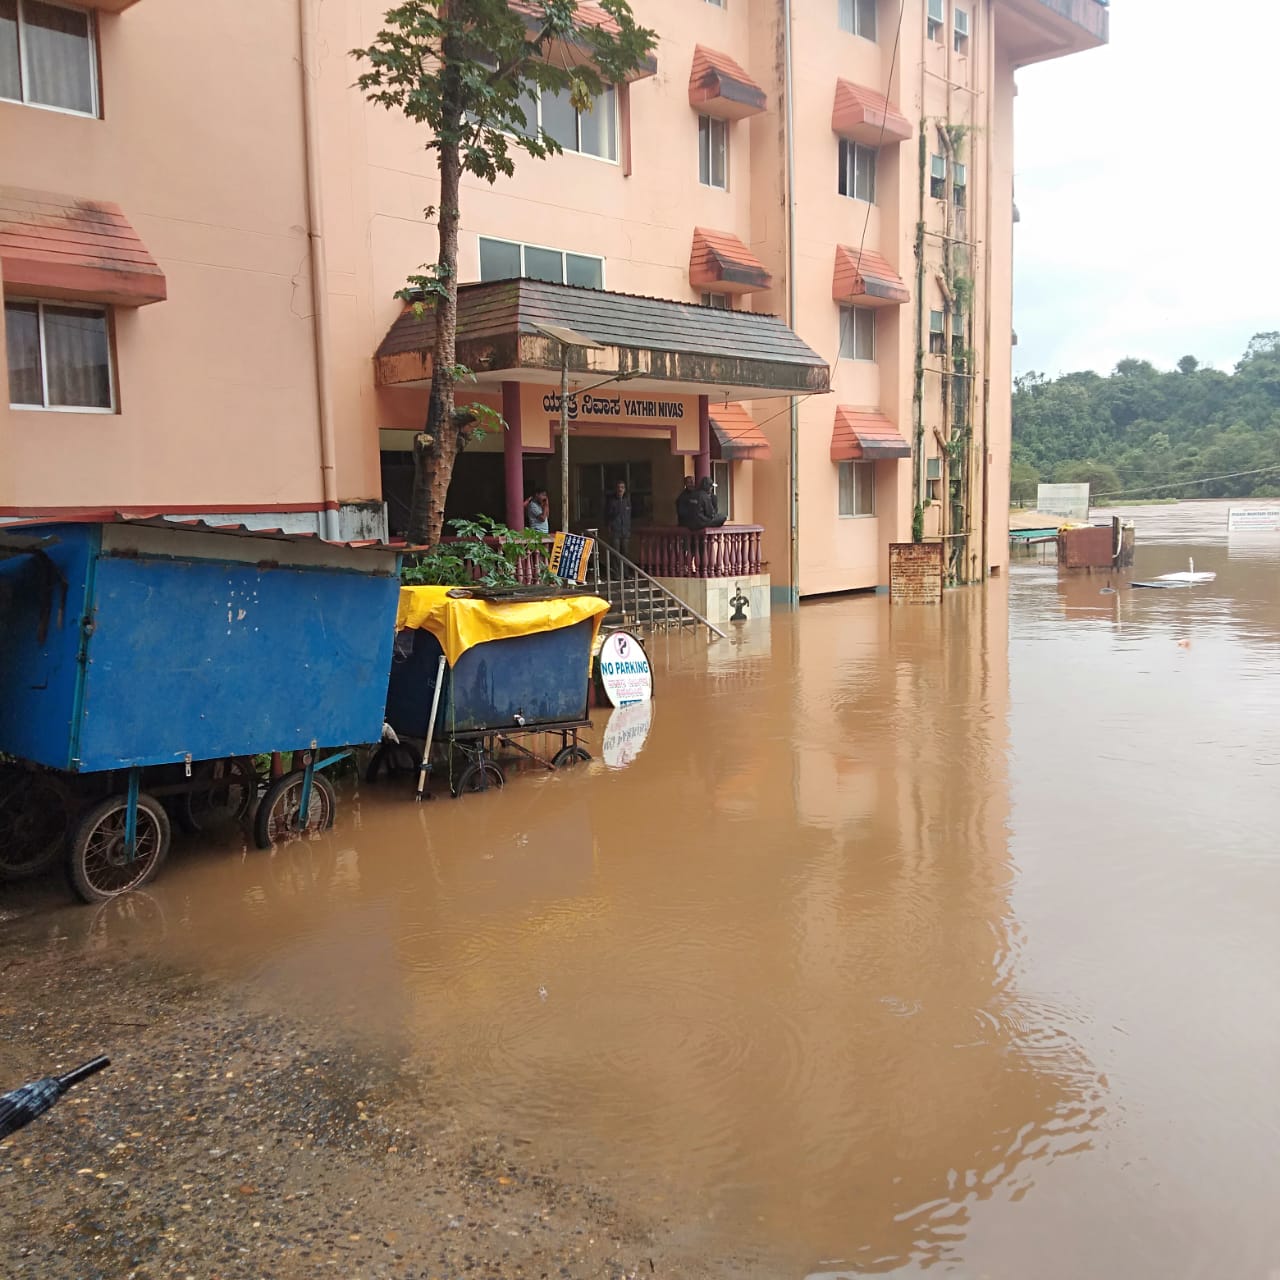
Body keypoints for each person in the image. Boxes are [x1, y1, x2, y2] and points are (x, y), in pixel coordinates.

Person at [603, 480, 632, 559]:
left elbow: (629, 515)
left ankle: (624, 568)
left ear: (624, 489)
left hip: (625, 531)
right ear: (616, 489)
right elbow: (607, 515)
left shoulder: (627, 501)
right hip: (615, 531)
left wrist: (628, 528)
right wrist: (609, 526)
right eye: (618, 487)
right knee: (616, 553)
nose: (620, 489)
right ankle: (616, 568)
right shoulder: (611, 501)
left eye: (622, 487)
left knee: (625, 553)